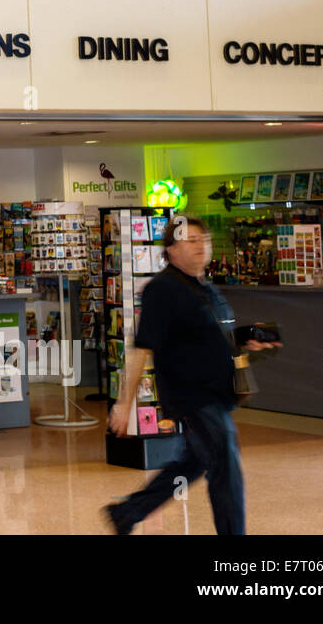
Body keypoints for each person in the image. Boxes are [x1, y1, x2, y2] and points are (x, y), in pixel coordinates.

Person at [104, 216, 278, 535]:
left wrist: (249, 339)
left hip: (218, 395)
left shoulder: (207, 288)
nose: (201, 245)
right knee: (226, 468)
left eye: (204, 239)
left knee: (192, 463)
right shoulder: (161, 290)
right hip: (193, 398)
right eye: (191, 240)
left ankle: (127, 512)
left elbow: (213, 337)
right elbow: (142, 348)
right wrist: (124, 404)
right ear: (170, 249)